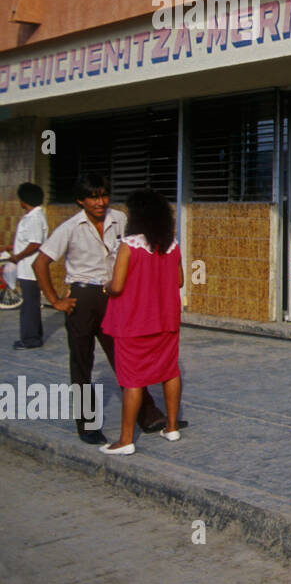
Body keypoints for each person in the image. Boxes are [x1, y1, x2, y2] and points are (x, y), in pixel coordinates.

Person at [34, 173, 171, 444]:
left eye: (104, 195)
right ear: (80, 201)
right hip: (83, 298)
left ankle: (149, 415)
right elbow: (40, 263)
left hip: (114, 297)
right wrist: (55, 300)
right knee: (82, 363)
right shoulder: (70, 227)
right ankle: (88, 425)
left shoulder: (120, 219)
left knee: (125, 358)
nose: (100, 202)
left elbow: (138, 250)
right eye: (93, 197)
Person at [98, 190, 185, 455]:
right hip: (165, 320)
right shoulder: (172, 245)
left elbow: (118, 284)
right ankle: (171, 427)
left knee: (132, 380)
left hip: (133, 321)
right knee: (170, 371)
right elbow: (179, 281)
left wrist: (106, 287)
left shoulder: (130, 244)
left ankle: (126, 440)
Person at [11, 182, 48, 349]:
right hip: (27, 268)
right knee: (31, 303)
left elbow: (34, 243)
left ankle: (30, 339)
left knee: (29, 305)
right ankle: (34, 335)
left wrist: (17, 257)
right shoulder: (32, 216)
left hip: (30, 269)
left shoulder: (35, 218)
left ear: (24, 200)